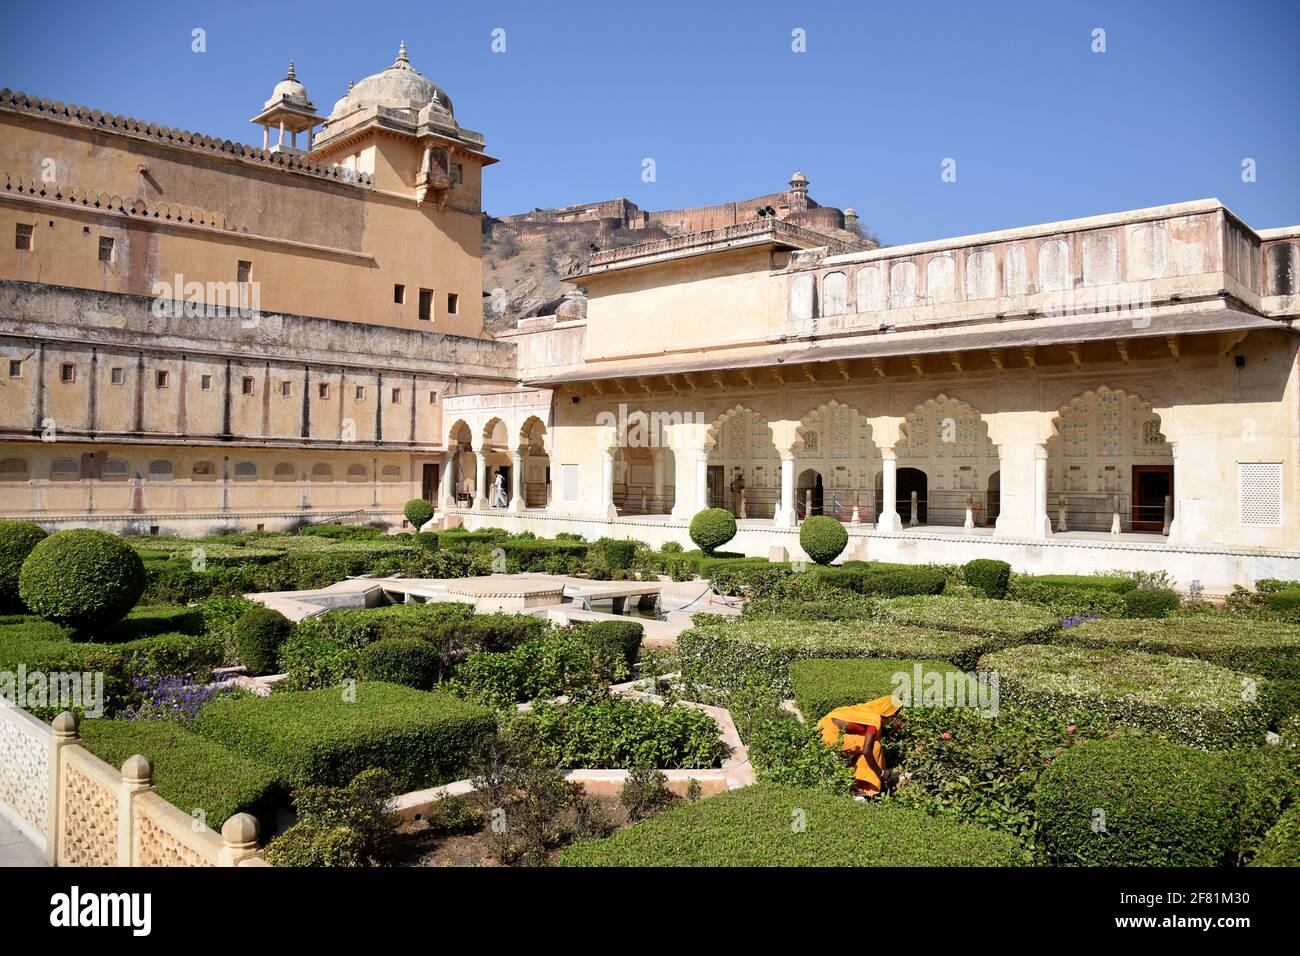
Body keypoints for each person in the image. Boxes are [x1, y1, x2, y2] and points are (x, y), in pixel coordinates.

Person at [816, 695, 902, 796]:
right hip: (828, 736)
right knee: (874, 746)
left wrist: (892, 730)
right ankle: (863, 786)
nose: (893, 719)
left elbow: (865, 731)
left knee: (868, 742)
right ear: (888, 713)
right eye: (894, 716)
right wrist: (881, 772)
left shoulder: (869, 710)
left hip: (822, 728)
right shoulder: (874, 719)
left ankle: (861, 778)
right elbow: (866, 750)